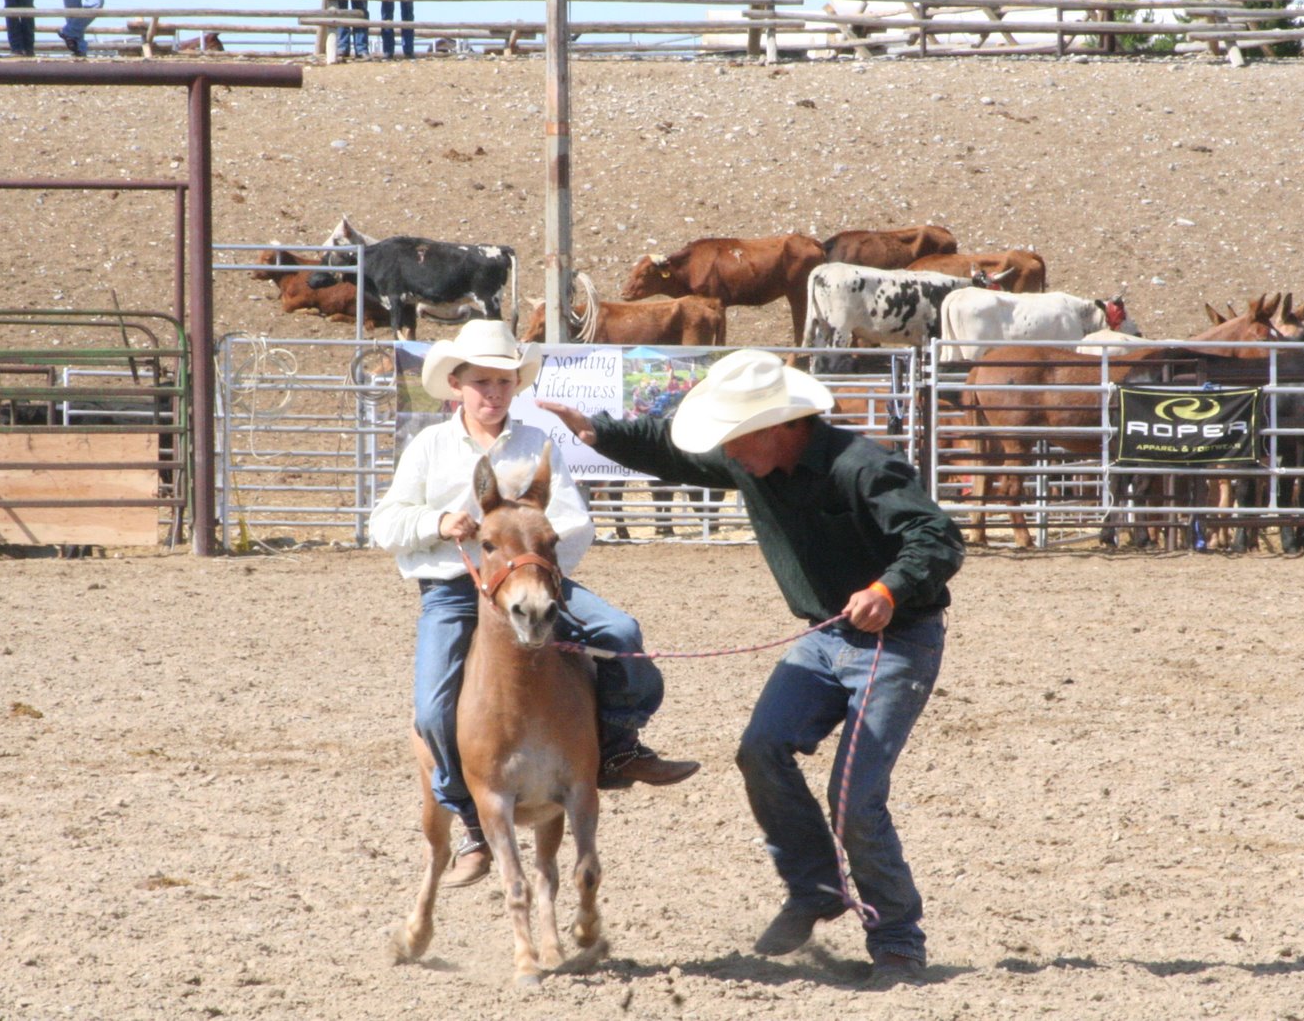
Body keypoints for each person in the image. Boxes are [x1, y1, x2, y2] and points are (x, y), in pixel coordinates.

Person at [540, 349, 965, 985]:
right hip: (826, 636)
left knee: (853, 797)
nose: (728, 453)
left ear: (783, 425)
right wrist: (600, 433)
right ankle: (816, 887)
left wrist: (889, 588)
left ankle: (897, 938)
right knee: (761, 748)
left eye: (737, 438)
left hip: (897, 638)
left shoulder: (862, 465)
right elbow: (675, 452)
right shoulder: (754, 459)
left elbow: (937, 536)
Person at [370, 320, 700, 889]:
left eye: (502, 382)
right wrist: (438, 522)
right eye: (481, 383)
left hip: (535, 584)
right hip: (454, 590)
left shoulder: (535, 445)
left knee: (620, 633)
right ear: (456, 384)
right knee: (432, 709)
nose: (492, 394)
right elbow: (385, 523)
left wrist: (536, 566)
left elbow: (574, 522)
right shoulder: (428, 446)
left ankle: (618, 746)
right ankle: (471, 820)